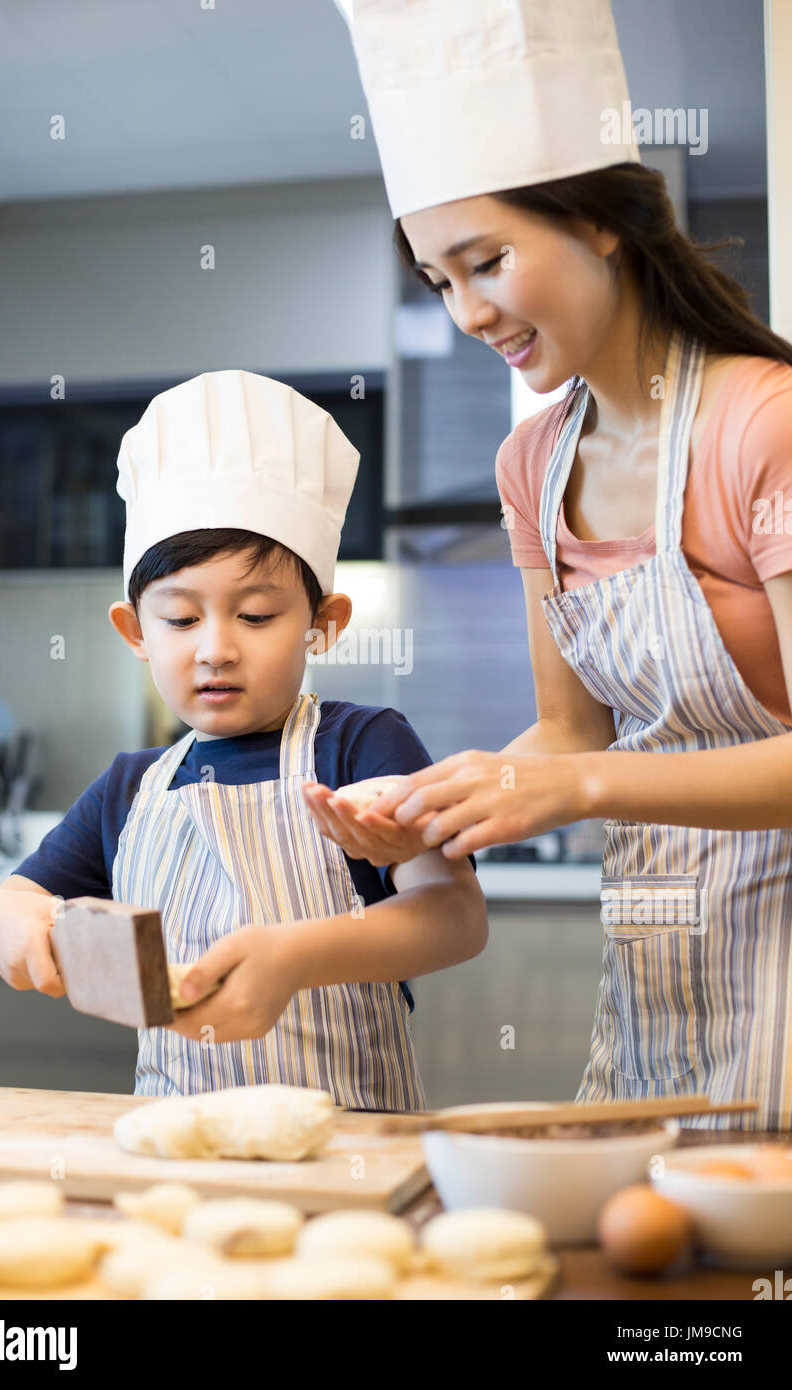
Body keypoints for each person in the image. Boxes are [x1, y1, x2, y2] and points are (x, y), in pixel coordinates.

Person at [304, 0, 792, 1127]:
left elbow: (583, 768)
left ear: (600, 220)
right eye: (436, 281)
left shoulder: (759, 424)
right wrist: (432, 803)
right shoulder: (532, 463)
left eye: (486, 261)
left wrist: (573, 786)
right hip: (660, 983)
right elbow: (567, 734)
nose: (468, 311)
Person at [0, 369, 487, 1108]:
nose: (216, 649)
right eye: (180, 619)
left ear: (324, 623)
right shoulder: (130, 788)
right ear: (135, 632)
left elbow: (454, 918)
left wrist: (294, 957)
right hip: (175, 1144)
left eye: (257, 616)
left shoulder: (362, 744)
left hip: (348, 1143)